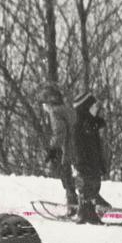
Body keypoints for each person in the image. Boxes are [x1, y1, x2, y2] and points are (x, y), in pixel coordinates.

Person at [69, 91, 112, 225]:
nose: (96, 110)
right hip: (84, 164)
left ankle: (89, 211)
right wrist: (79, 163)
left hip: (94, 164)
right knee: (86, 187)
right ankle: (84, 213)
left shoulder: (92, 126)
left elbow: (97, 148)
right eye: (93, 107)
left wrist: (101, 164)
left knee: (94, 186)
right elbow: (77, 149)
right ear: (85, 109)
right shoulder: (79, 127)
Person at [40, 86, 78, 216]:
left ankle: (73, 206)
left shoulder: (55, 112)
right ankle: (80, 203)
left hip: (67, 149)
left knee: (66, 177)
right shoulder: (68, 109)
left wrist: (52, 148)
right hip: (77, 148)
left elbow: (59, 132)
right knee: (77, 177)